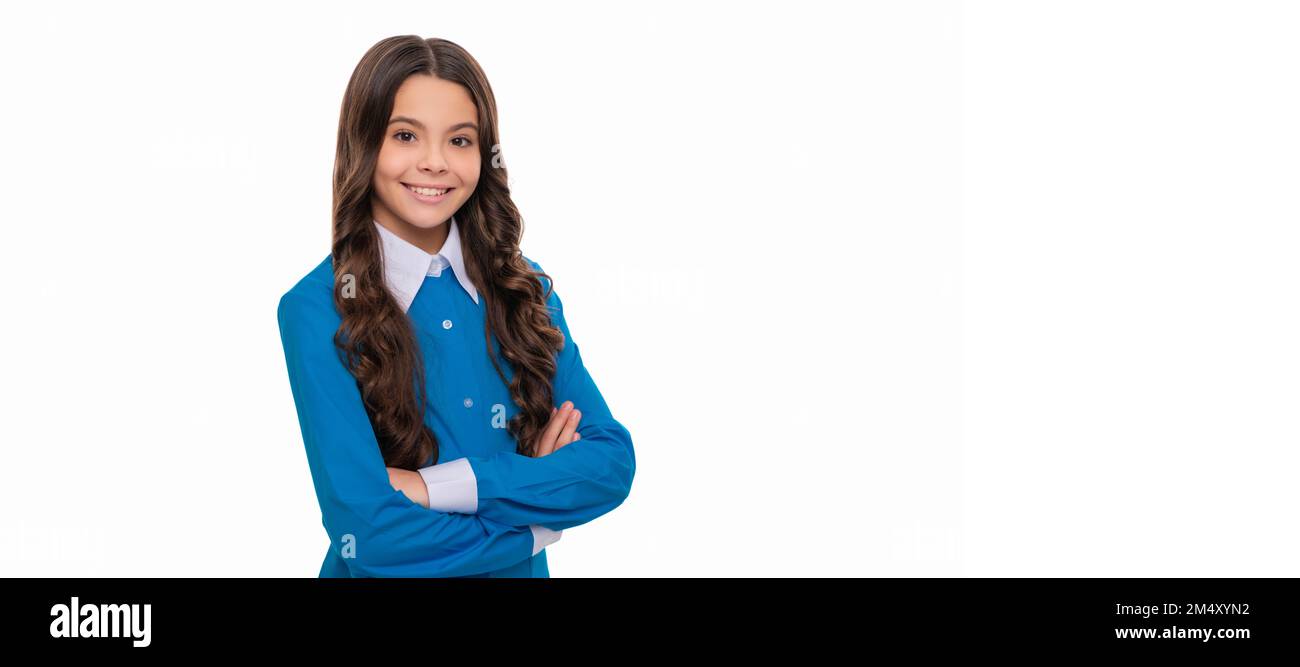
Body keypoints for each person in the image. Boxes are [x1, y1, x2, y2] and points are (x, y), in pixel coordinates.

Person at [276, 35, 635, 577]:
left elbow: (609, 463)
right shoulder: (316, 308)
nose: (435, 163)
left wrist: (428, 487)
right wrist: (537, 518)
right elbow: (370, 533)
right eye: (405, 135)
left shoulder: (525, 287)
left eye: (460, 141)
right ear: (363, 143)